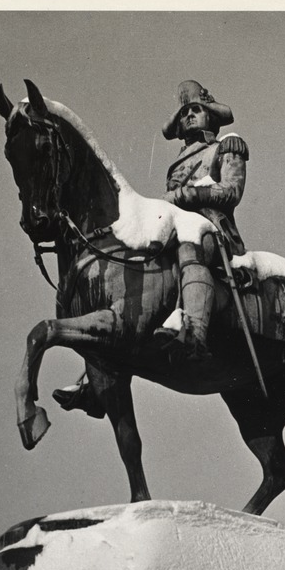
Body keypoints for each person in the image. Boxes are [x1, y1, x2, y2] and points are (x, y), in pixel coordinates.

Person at [54, 80, 249, 417]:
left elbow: (231, 191)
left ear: (211, 116)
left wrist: (188, 196)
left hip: (211, 230)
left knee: (192, 246)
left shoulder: (227, 146)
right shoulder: (178, 162)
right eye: (184, 113)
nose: (189, 117)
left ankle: (195, 333)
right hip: (175, 226)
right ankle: (95, 375)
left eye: (195, 110)